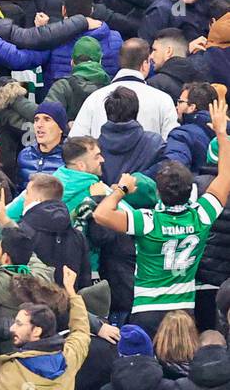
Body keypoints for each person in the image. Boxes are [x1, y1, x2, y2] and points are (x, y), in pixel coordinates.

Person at [89, 100, 230, 337]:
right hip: (184, 309)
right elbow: (225, 174)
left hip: (147, 310)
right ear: (191, 191)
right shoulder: (202, 215)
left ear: (158, 192)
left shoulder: (148, 220)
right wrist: (221, 132)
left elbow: (101, 214)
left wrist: (121, 189)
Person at [0, 264, 91, 390]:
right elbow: (81, 331)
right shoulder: (69, 357)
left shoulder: (11, 372)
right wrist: (72, 293)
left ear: (36, 331)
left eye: (20, 324)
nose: (12, 328)